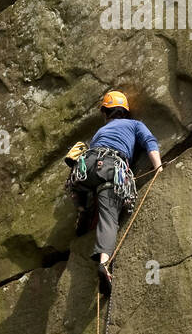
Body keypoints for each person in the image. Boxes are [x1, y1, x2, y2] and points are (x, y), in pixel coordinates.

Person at [65, 91, 162, 296]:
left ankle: (82, 207)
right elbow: (149, 142)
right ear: (125, 112)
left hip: (87, 165)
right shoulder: (135, 125)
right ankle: (104, 264)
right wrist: (158, 167)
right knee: (108, 218)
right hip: (111, 167)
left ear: (106, 113)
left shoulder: (101, 131)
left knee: (76, 184)